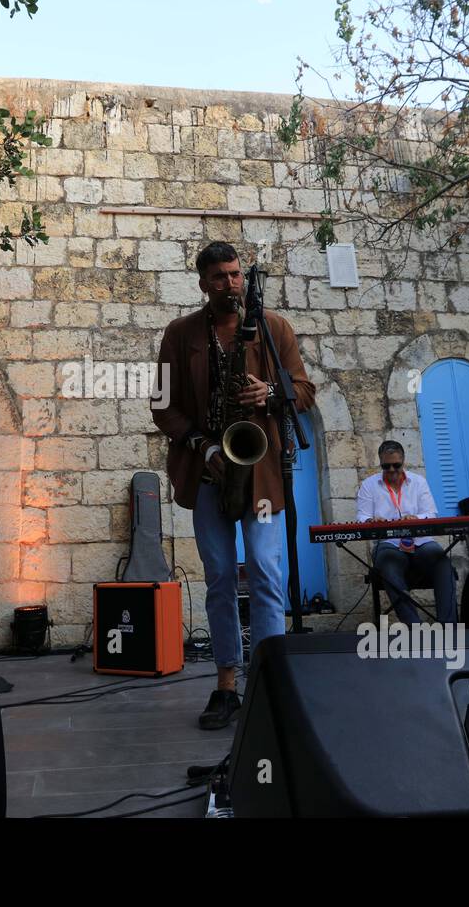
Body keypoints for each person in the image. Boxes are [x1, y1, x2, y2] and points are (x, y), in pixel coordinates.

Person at [152, 241, 315, 729]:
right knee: (220, 576)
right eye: (220, 277)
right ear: (202, 282)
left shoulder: (273, 328)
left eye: (236, 275)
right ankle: (227, 683)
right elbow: (162, 404)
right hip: (208, 471)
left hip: (261, 472)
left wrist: (272, 394)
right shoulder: (179, 333)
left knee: (266, 569)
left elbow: (305, 391)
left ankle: (267, 676)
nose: (231, 284)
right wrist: (203, 446)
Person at [355, 440, 457, 624]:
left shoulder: (418, 482)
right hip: (389, 544)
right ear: (380, 463)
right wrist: (372, 521)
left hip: (421, 542)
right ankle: (415, 627)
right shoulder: (369, 485)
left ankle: (448, 626)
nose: (392, 470)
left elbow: (431, 514)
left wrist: (416, 519)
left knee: (442, 561)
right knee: (387, 564)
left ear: (404, 461)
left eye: (396, 465)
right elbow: (362, 517)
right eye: (386, 466)